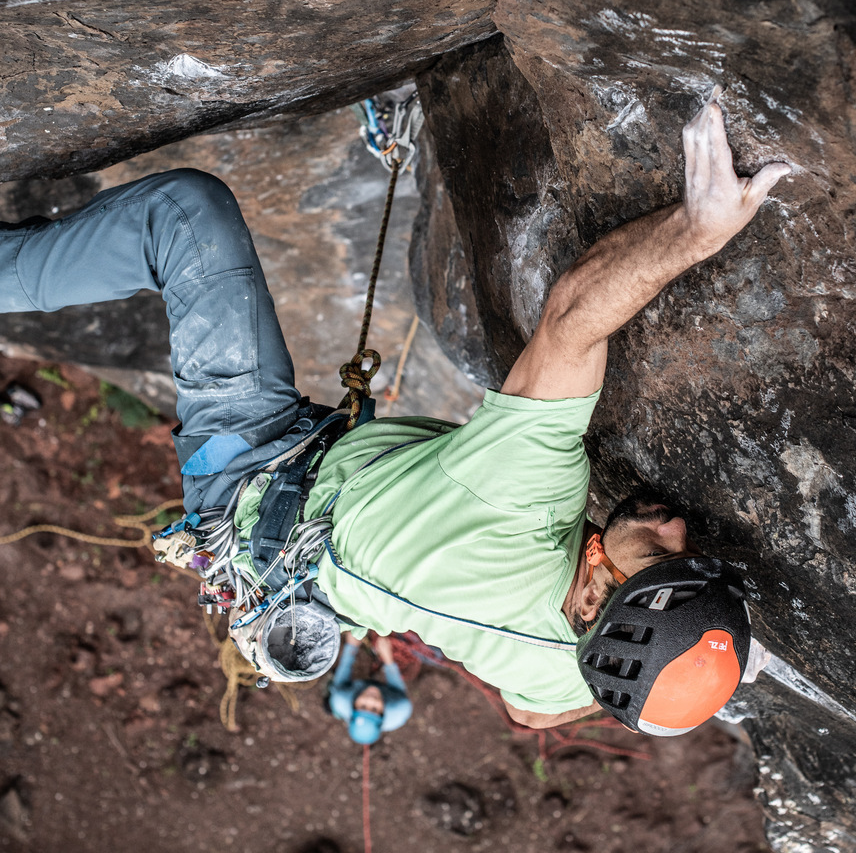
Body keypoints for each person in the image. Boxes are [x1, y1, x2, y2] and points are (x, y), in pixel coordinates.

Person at [0, 91, 788, 734]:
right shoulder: (568, 665)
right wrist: (675, 672)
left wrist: (698, 229)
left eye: (659, 555)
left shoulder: (519, 503)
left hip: (250, 470)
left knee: (183, 213)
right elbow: (528, 714)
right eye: (693, 564)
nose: (677, 529)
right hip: (305, 567)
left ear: (588, 600)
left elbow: (574, 316)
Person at [328, 632, 413, 744]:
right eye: (374, 709)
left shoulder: (341, 699)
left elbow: (343, 673)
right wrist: (388, 659)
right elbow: (398, 688)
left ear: (353, 705)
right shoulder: (399, 708)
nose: (371, 700)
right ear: (384, 712)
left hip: (357, 688)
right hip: (385, 691)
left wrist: (352, 646)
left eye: (363, 706)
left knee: (332, 699)